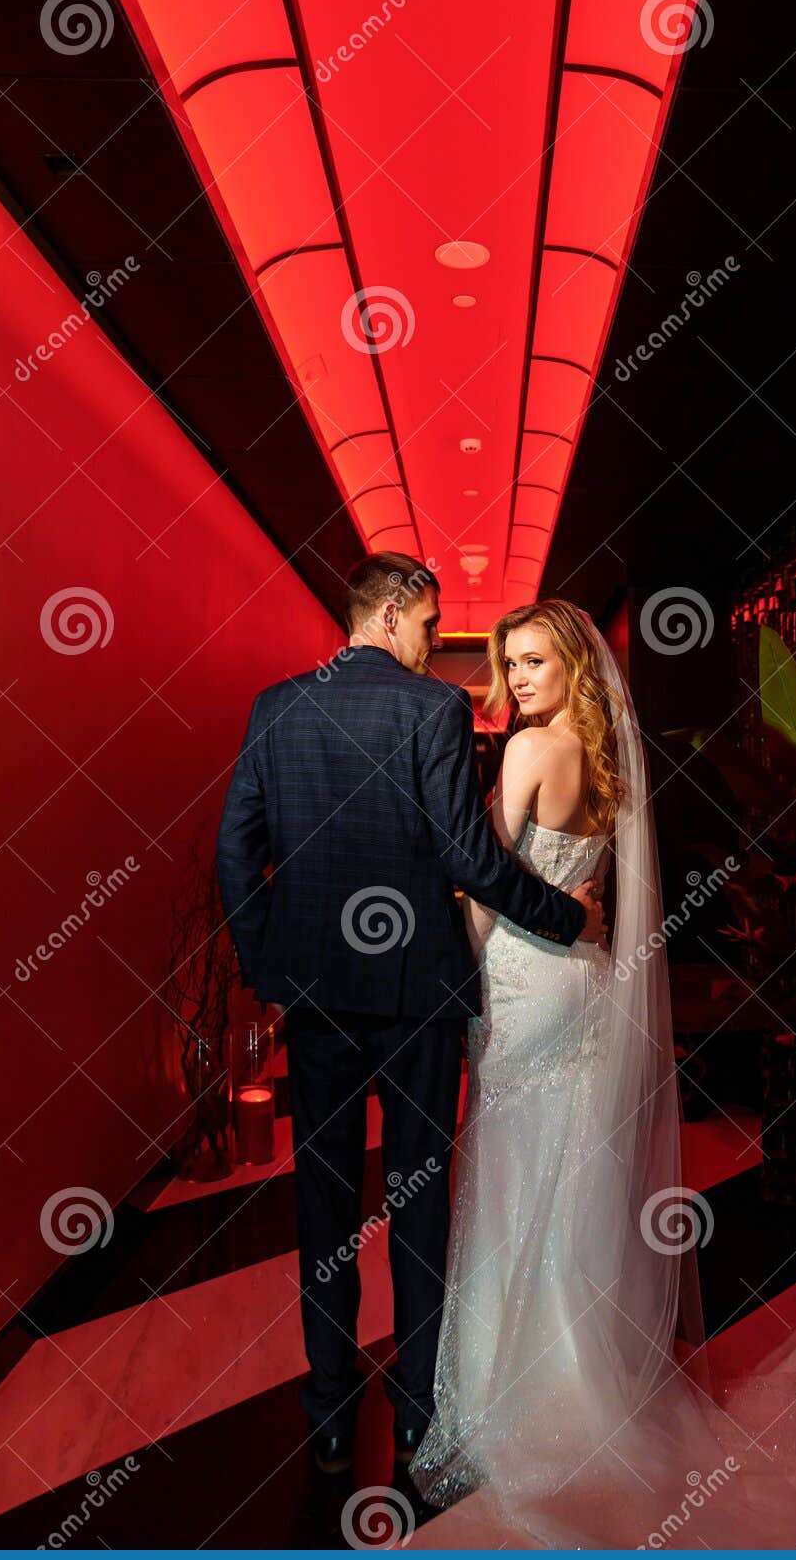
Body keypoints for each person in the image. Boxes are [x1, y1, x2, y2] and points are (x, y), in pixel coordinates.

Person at [409, 598, 796, 1549]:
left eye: (536, 662)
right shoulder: (608, 760)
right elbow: (584, 883)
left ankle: (521, 1400)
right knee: (574, 1183)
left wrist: (461, 958)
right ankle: (588, 1374)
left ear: (573, 667)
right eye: (513, 664)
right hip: (584, 978)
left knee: (514, 1181)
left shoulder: (528, 751)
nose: (520, 680)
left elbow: (486, 882)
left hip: (525, 983)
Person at [215, 556, 606, 1480]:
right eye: (430, 623)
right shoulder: (434, 710)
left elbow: (236, 853)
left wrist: (272, 968)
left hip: (318, 1000)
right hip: (418, 999)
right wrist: (566, 916)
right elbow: (470, 859)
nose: (436, 642)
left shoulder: (277, 708)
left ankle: (329, 1414)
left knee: (323, 1205)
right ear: (390, 614)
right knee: (420, 1202)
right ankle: (418, 1411)